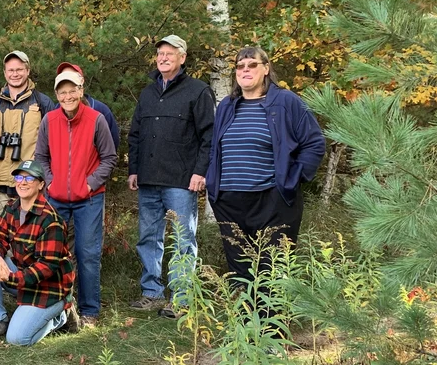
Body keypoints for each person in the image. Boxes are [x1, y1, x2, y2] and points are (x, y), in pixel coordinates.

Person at [206, 46, 326, 284]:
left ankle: (271, 321)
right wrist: (213, 183)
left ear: (266, 69)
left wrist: (293, 179)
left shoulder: (286, 102)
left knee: (273, 268)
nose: (245, 70)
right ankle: (245, 321)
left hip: (272, 201)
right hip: (229, 201)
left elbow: (314, 143)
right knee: (240, 270)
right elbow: (215, 149)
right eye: (240, 66)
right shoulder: (227, 106)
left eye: (252, 65)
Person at [127, 35, 216, 319]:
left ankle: (181, 298)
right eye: (160, 54)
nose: (163, 57)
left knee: (182, 239)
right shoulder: (148, 94)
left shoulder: (198, 91)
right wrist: (134, 170)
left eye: (169, 53)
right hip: (148, 179)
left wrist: (200, 171)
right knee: (149, 237)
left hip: (181, 180)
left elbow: (209, 137)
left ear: (182, 57)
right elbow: (136, 135)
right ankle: (152, 293)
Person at [34, 64, 117, 327]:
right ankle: (55, 307)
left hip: (89, 200)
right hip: (56, 198)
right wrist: (51, 181)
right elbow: (40, 157)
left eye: (72, 90)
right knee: (52, 252)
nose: (67, 96)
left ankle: (89, 310)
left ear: (81, 90)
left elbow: (109, 157)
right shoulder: (49, 120)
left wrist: (90, 184)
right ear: (56, 94)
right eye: (62, 92)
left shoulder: (96, 119)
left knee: (87, 253)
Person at [0, 160, 76, 344]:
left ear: (41, 184)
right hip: (24, 276)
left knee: (17, 339)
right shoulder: (12, 208)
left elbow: (46, 268)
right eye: (19, 177)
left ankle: (61, 316)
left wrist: (10, 278)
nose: (23, 182)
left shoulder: (51, 221)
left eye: (30, 178)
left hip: (49, 288)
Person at [0, 50, 56, 222]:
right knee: (0, 235)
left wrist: (44, 173)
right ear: (5, 73)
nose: (15, 74)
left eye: (19, 69)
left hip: (29, 182)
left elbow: (53, 143)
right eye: (11, 70)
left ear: (28, 70)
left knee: (29, 235)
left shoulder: (42, 102)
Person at [54, 62, 121, 151]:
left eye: (71, 76)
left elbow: (111, 147)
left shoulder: (101, 110)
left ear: (81, 82)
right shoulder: (54, 113)